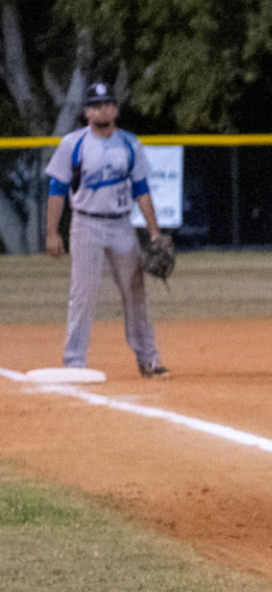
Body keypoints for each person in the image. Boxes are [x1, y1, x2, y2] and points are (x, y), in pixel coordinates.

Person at [44, 81, 170, 379]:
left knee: (135, 291)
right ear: (87, 111)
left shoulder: (129, 143)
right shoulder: (73, 144)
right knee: (82, 294)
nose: (103, 109)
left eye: (108, 104)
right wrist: (52, 232)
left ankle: (148, 360)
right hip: (85, 224)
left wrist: (154, 233)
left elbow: (142, 189)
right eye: (96, 104)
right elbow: (56, 188)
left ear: (115, 108)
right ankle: (74, 362)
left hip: (121, 225)